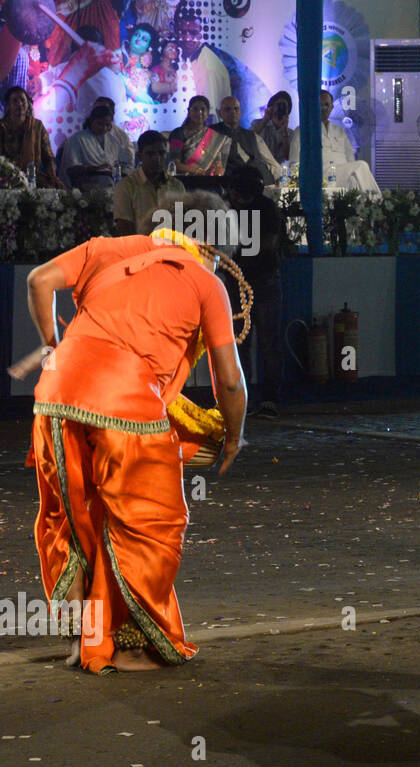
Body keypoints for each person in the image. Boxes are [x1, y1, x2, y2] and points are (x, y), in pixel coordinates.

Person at [16, 192, 248, 675]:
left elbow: (39, 281)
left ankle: (83, 639)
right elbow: (229, 381)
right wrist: (231, 437)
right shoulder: (207, 283)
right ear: (212, 244)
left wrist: (53, 347)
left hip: (55, 396)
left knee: (74, 519)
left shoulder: (110, 249)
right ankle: (130, 646)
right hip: (126, 404)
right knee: (148, 525)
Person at [225, 165, 287, 415]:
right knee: (242, 344)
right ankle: (244, 400)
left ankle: (269, 400)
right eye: (237, 195)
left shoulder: (266, 208)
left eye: (244, 196)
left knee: (267, 342)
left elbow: (268, 245)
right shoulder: (225, 207)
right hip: (239, 281)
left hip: (262, 280)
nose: (239, 200)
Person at [290, 90, 380, 192]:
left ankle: (366, 206)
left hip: (343, 173)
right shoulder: (303, 130)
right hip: (320, 175)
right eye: (320, 105)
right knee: (362, 165)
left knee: (354, 180)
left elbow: (350, 159)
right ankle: (378, 203)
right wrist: (304, 181)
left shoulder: (340, 131)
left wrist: (351, 170)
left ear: (332, 108)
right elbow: (294, 163)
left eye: (326, 105)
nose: (323, 108)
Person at [113, 131, 186, 236]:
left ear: (167, 155)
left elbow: (181, 225)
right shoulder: (126, 186)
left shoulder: (177, 186)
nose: (157, 158)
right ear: (140, 156)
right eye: (150, 154)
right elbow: (124, 228)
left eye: (161, 153)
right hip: (138, 249)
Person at [0, 86, 62, 187]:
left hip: (33, 177)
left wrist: (53, 177)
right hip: (6, 178)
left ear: (28, 104)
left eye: (22, 100)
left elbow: (48, 157)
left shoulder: (37, 126)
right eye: (15, 101)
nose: (19, 104)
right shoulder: (2, 127)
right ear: (8, 106)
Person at [59, 105, 131, 191]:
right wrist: (96, 168)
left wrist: (116, 169)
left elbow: (124, 165)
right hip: (86, 187)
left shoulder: (113, 141)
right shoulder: (76, 139)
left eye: (107, 125)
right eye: (100, 124)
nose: (104, 128)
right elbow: (71, 169)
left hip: (113, 186)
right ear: (91, 121)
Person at [215, 95, 279, 185]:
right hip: (235, 184)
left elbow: (270, 161)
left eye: (236, 109)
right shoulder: (214, 133)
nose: (233, 112)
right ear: (220, 113)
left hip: (263, 181)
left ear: (240, 112)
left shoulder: (251, 135)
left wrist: (281, 179)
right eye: (228, 109)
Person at [169, 95, 229, 177]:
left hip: (209, 182)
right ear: (189, 112)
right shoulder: (177, 134)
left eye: (203, 109)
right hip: (185, 181)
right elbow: (175, 164)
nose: (199, 113)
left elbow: (218, 165)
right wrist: (200, 172)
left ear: (208, 113)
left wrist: (216, 172)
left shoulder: (214, 137)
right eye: (195, 109)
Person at [253, 90, 294, 164]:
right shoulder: (258, 124)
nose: (281, 108)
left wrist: (284, 132)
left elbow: (287, 157)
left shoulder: (290, 133)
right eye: (278, 104)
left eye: (284, 106)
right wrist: (264, 120)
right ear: (271, 107)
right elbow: (248, 141)